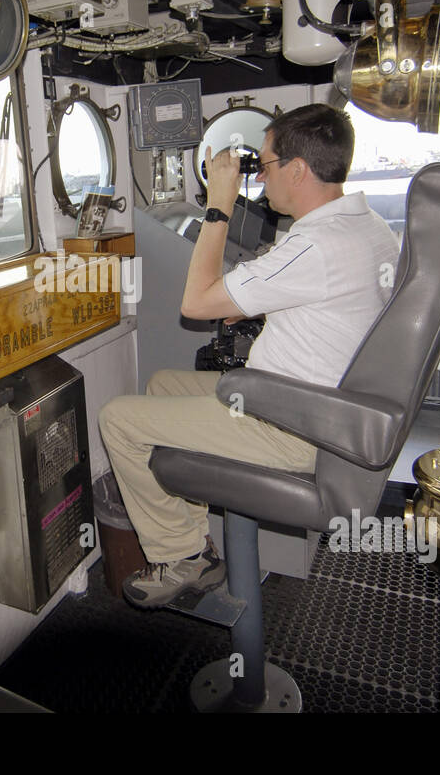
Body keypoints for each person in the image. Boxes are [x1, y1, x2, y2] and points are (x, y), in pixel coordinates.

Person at [98, 103, 400, 608]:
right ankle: (199, 547)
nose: (259, 176)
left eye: (265, 164)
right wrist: (251, 296)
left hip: (292, 423)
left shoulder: (315, 246)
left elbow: (195, 304)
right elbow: (303, 292)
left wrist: (218, 205)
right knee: (162, 386)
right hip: (314, 404)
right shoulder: (367, 228)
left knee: (118, 419)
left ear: (298, 170)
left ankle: (180, 556)